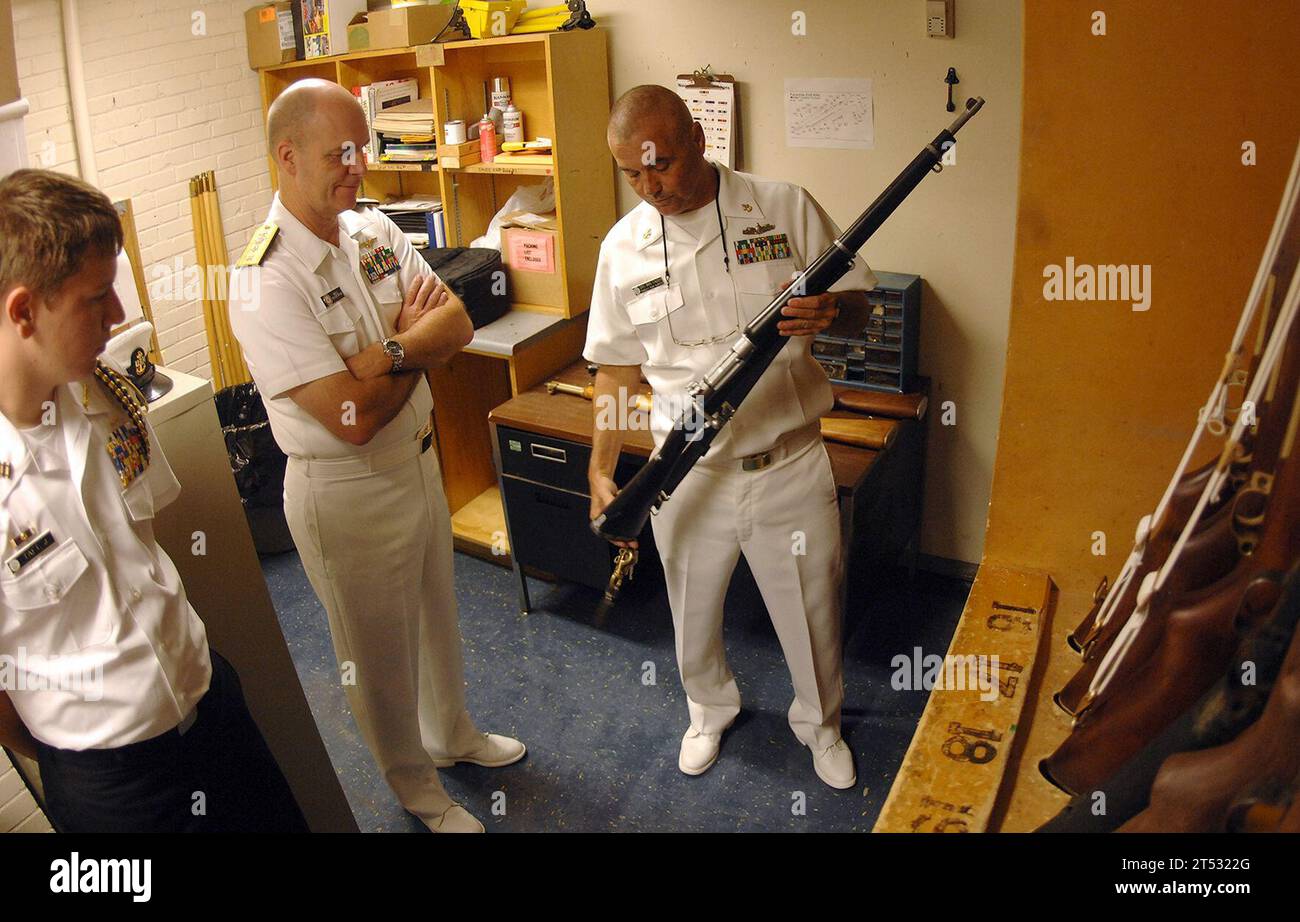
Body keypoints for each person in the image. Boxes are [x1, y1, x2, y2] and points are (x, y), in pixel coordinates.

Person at [228, 79, 524, 834]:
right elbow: (351, 419)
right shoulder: (265, 278)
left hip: (419, 462)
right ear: (287, 157)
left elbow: (455, 317)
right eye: (340, 154)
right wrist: (415, 354)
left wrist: (385, 352)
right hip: (346, 489)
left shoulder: (371, 232)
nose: (358, 167)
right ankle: (417, 788)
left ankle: (452, 733)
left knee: (435, 617)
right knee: (377, 659)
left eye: (360, 149)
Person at [584, 86, 879, 789]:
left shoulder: (783, 206)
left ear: (699, 136)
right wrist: (602, 469)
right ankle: (708, 708)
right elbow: (618, 368)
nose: (651, 187)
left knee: (811, 608)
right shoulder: (621, 249)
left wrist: (832, 310)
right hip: (685, 473)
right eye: (633, 174)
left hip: (789, 461)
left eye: (663, 164)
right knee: (690, 608)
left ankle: (821, 723)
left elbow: (862, 311)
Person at [0, 168, 308, 832]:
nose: (118, 318)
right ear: (24, 311)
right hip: (116, 785)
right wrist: (78, 745)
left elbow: (145, 550)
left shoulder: (107, 394)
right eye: (95, 300)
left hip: (211, 706)